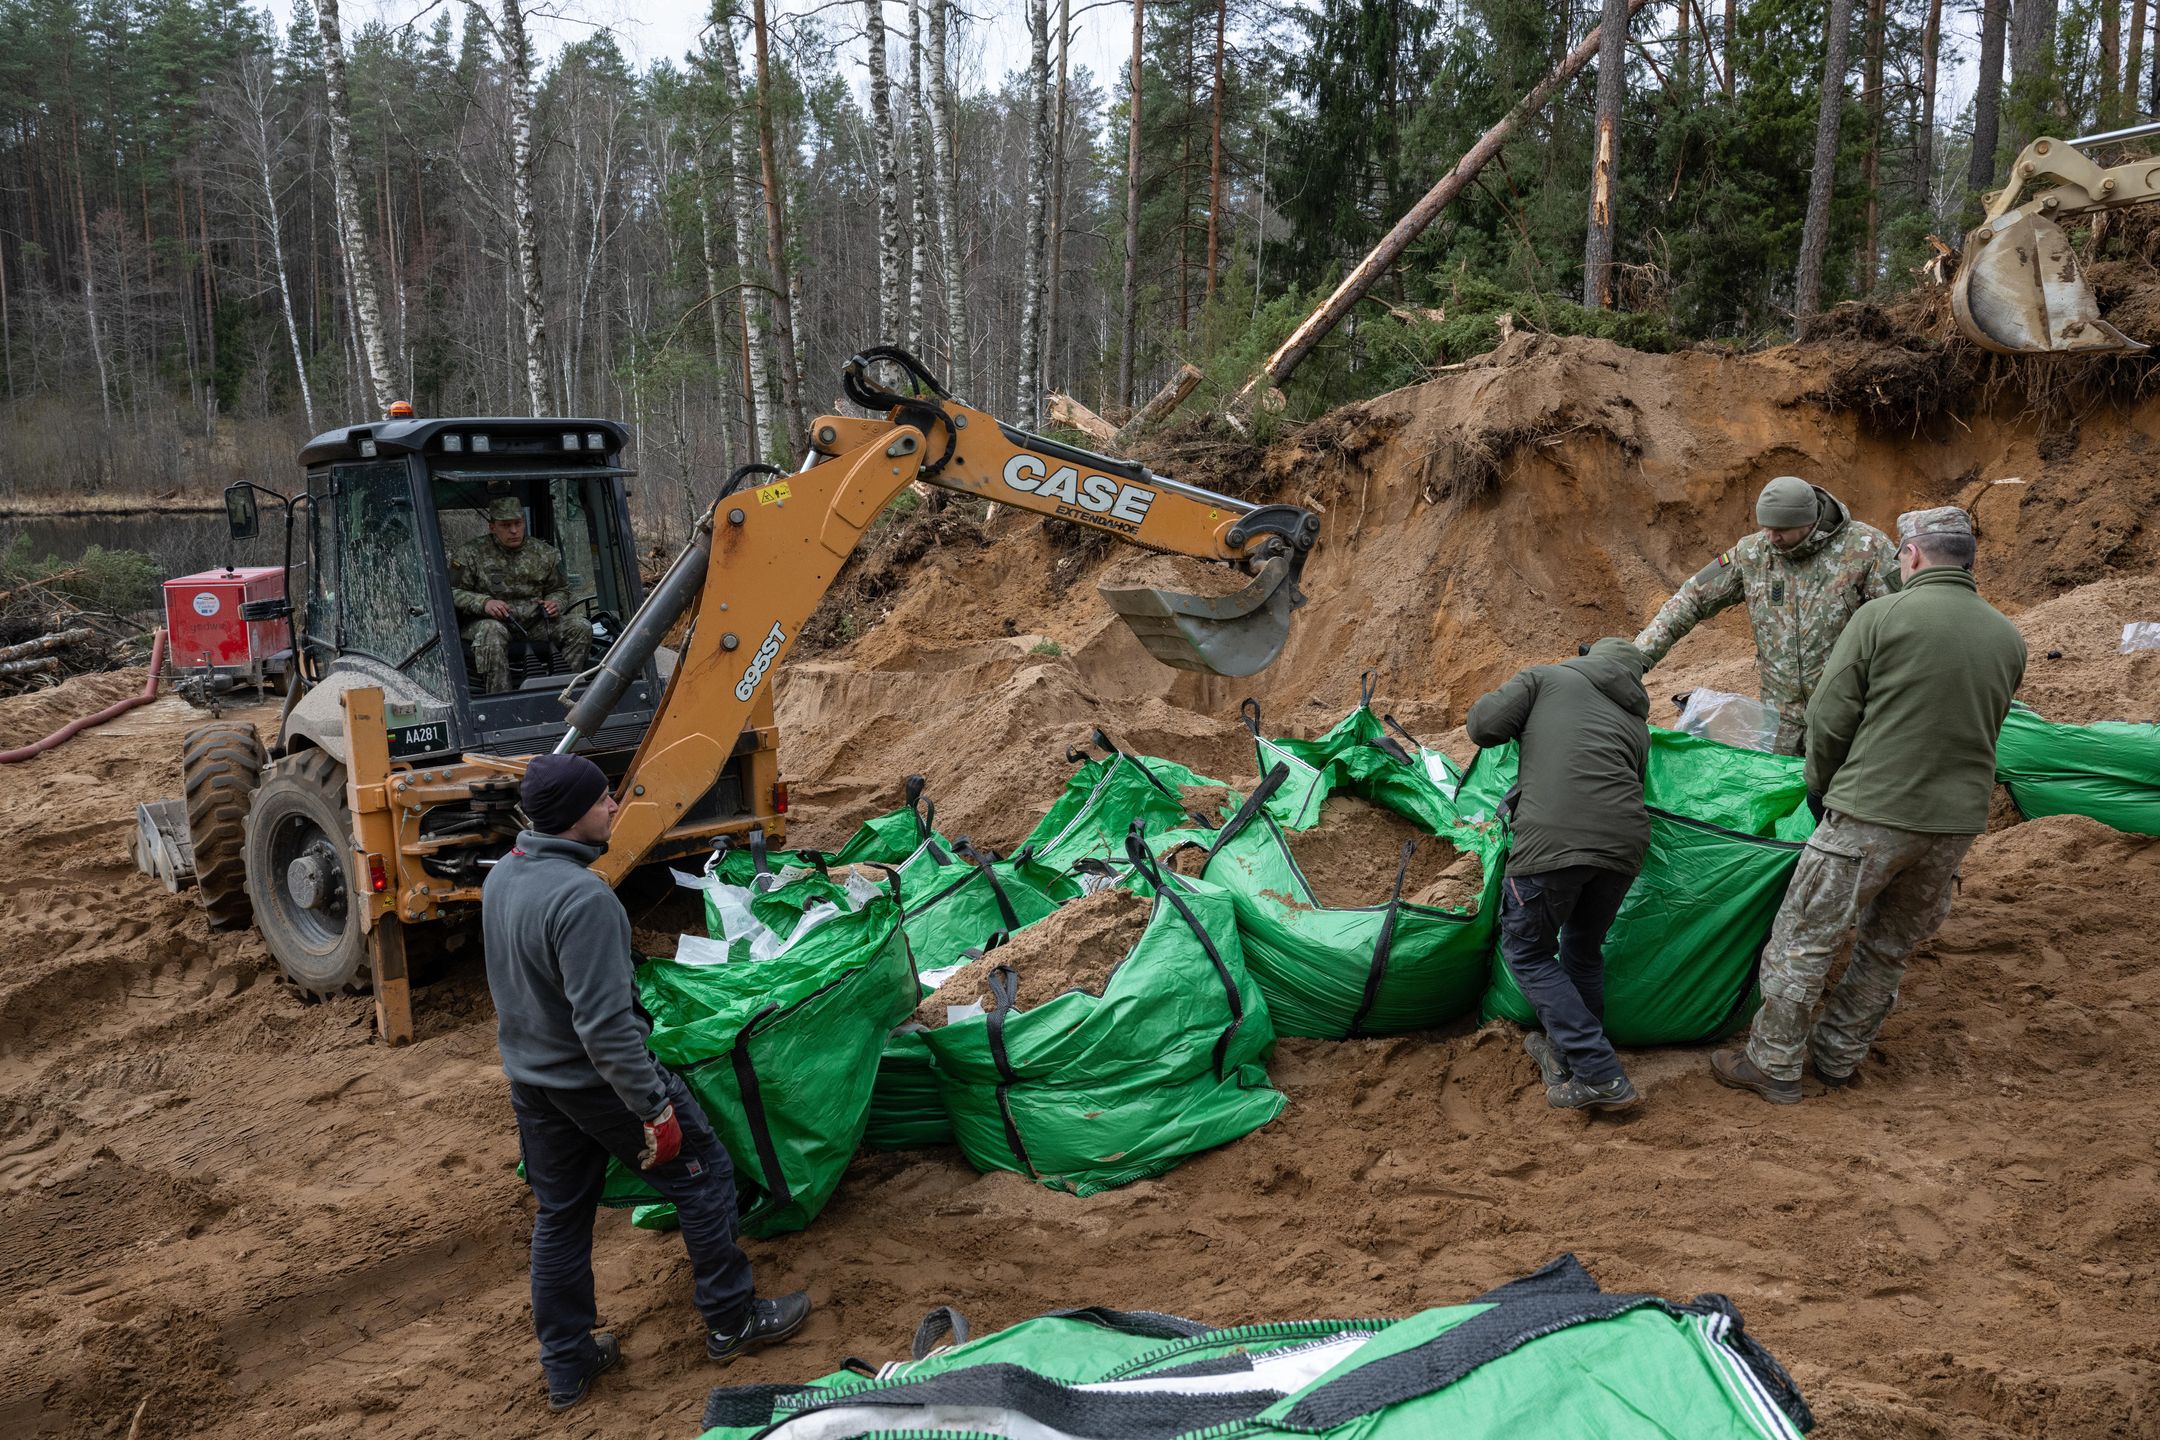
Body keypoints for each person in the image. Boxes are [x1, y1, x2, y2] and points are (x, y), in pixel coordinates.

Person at [484, 752, 809, 1411]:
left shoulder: (504, 879)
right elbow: (605, 1028)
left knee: (561, 1216)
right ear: (575, 815)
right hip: (598, 1083)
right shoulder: (583, 899)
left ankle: (568, 1364)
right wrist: (653, 1107)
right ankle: (731, 1319)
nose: (613, 807)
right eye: (604, 798)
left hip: (532, 1081)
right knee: (704, 1173)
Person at [1712, 507, 2025, 1104]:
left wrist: (1821, 787)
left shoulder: (1882, 616)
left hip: (1871, 812)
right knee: (1887, 947)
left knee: (1804, 935)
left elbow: (1829, 717)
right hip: (1955, 822)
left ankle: (1773, 1063)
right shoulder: (2008, 636)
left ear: (1909, 555)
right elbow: (1989, 722)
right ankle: (1838, 1058)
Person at [1466, 637, 1653, 1112]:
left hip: (1553, 843)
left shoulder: (1545, 677)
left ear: (1591, 659)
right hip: (1625, 849)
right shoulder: (1637, 723)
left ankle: (1601, 1074)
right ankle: (1566, 1054)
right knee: (1582, 950)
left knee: (1527, 952)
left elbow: (1482, 727)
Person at [1634, 476, 1900, 755]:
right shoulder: (1753, 553)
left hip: (1848, 718)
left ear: (1809, 522)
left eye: (1781, 530)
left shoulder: (1866, 548)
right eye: (1766, 528)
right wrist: (1634, 659)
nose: (1772, 537)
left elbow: (1903, 622)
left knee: (1835, 796)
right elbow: (1691, 599)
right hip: (1779, 723)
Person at [450, 496, 592, 695]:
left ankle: (564, 694)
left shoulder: (545, 553)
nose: (514, 530)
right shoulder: (470, 554)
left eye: (518, 524)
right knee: (491, 631)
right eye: (506, 525)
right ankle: (501, 700)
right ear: (492, 527)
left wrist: (555, 603)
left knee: (580, 627)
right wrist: (484, 603)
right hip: (488, 623)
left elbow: (561, 589)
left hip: (535, 624)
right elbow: (451, 592)